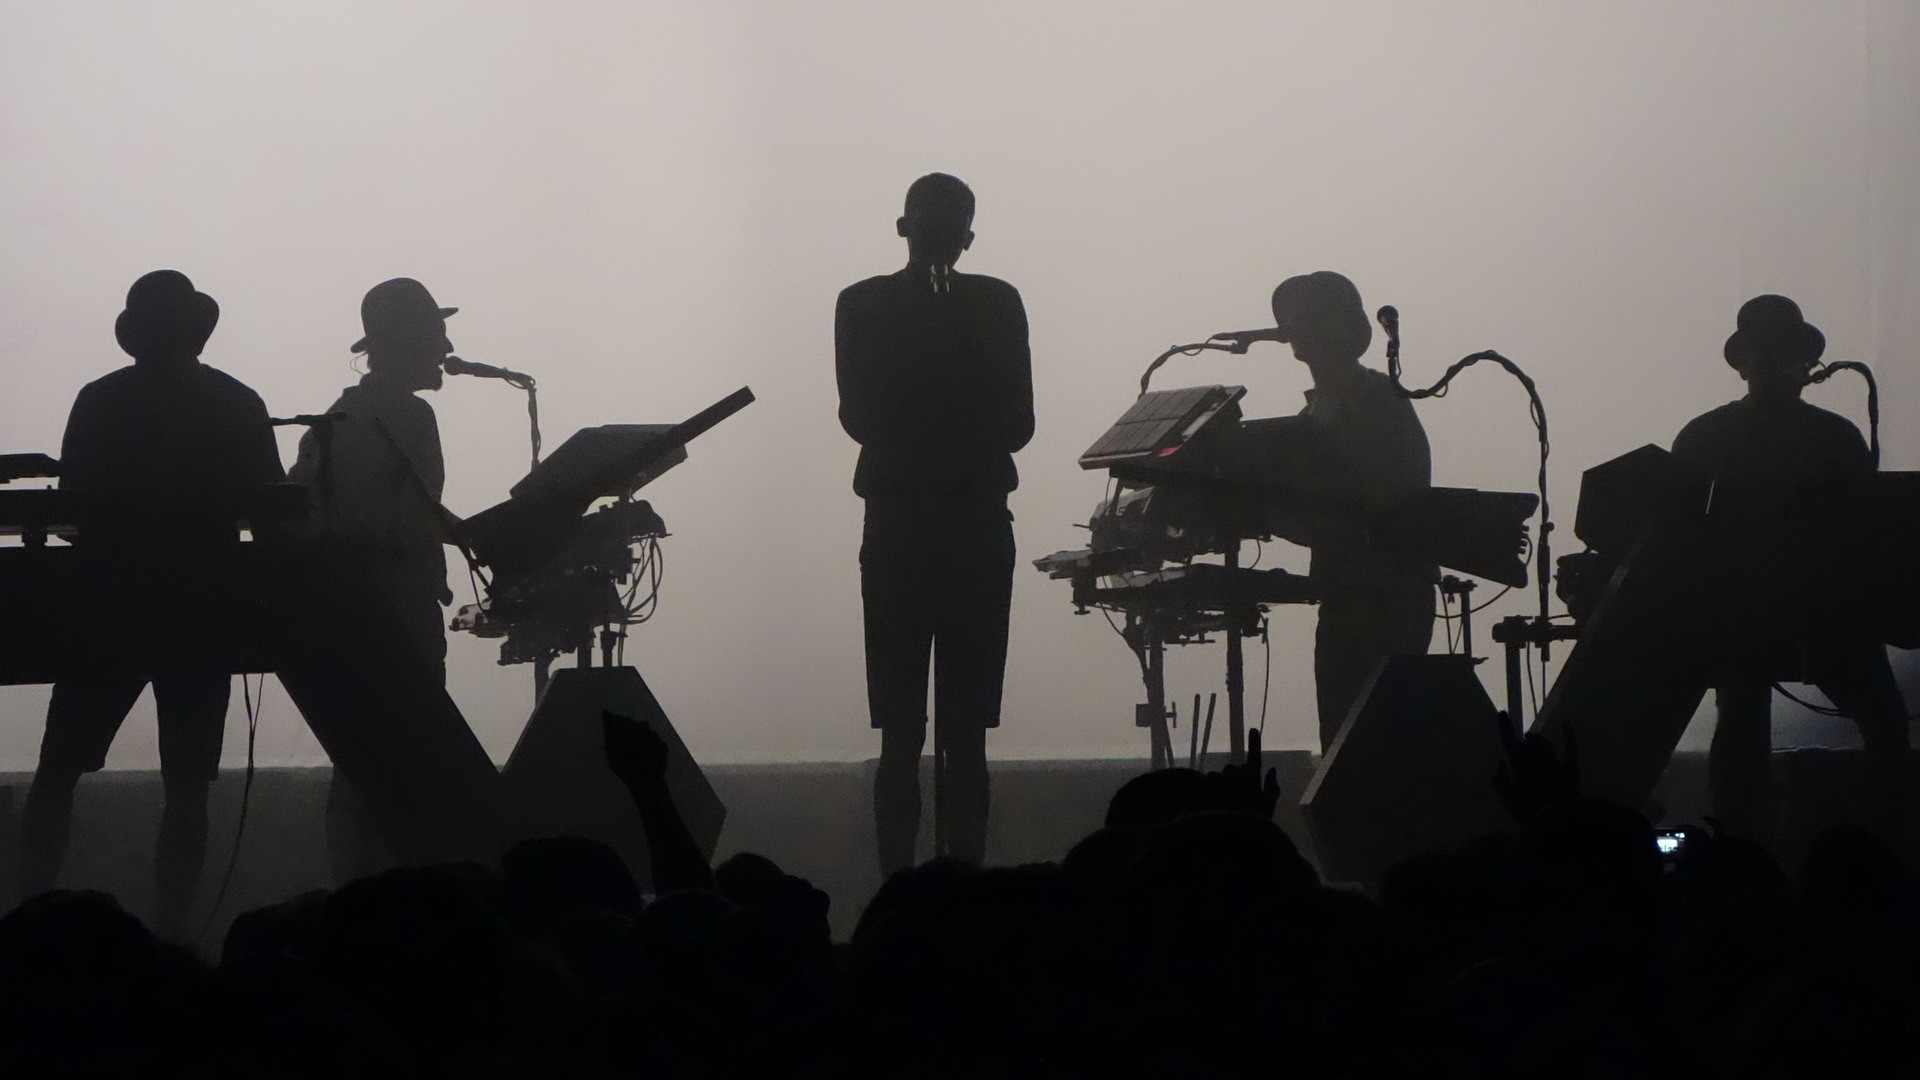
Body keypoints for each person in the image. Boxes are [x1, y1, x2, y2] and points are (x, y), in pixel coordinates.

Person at [17, 270, 285, 936]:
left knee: (58, 774)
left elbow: (71, 504)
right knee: (187, 790)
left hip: (109, 607)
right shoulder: (235, 400)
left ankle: (25, 917)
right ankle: (176, 931)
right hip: (201, 611)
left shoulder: (102, 401)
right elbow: (273, 508)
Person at [835, 173, 1034, 874]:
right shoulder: (863, 304)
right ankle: (907, 881)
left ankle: (958, 878)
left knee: (965, 732)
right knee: (901, 729)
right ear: (905, 228)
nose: (943, 239)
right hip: (912, 523)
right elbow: (859, 413)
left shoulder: (994, 304)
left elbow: (1020, 423)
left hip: (954, 521)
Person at [1671, 294, 1911, 842]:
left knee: (1873, 719)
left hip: (1799, 614)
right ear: (1745, 363)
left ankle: (1745, 849)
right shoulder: (1827, 436)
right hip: (1777, 614)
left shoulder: (1709, 436)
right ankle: (1886, 851)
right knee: (1871, 719)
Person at [288, 277, 460, 877]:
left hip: (348, 607)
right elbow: (385, 520)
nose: (446, 347)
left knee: (358, 759)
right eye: (435, 334)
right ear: (405, 344)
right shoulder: (410, 415)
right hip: (395, 609)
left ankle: (357, 888)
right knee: (404, 756)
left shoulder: (335, 418)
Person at [1242, 271, 1435, 750]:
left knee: (1372, 746)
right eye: (1292, 319)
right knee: (1346, 745)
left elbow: (1378, 499)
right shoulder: (1324, 408)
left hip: (1384, 595)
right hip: (1349, 593)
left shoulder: (1373, 398)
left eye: (1307, 317)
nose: (1294, 327)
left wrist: (1270, 510)